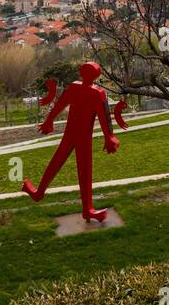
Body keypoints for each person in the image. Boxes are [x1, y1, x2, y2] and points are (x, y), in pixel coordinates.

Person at [21, 62, 128, 221]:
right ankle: (86, 209)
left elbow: (59, 106)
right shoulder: (97, 93)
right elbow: (104, 118)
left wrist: (49, 121)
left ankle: (40, 194)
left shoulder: (75, 88)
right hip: (81, 137)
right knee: (82, 172)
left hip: (71, 134)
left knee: (57, 163)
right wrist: (108, 136)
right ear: (96, 76)